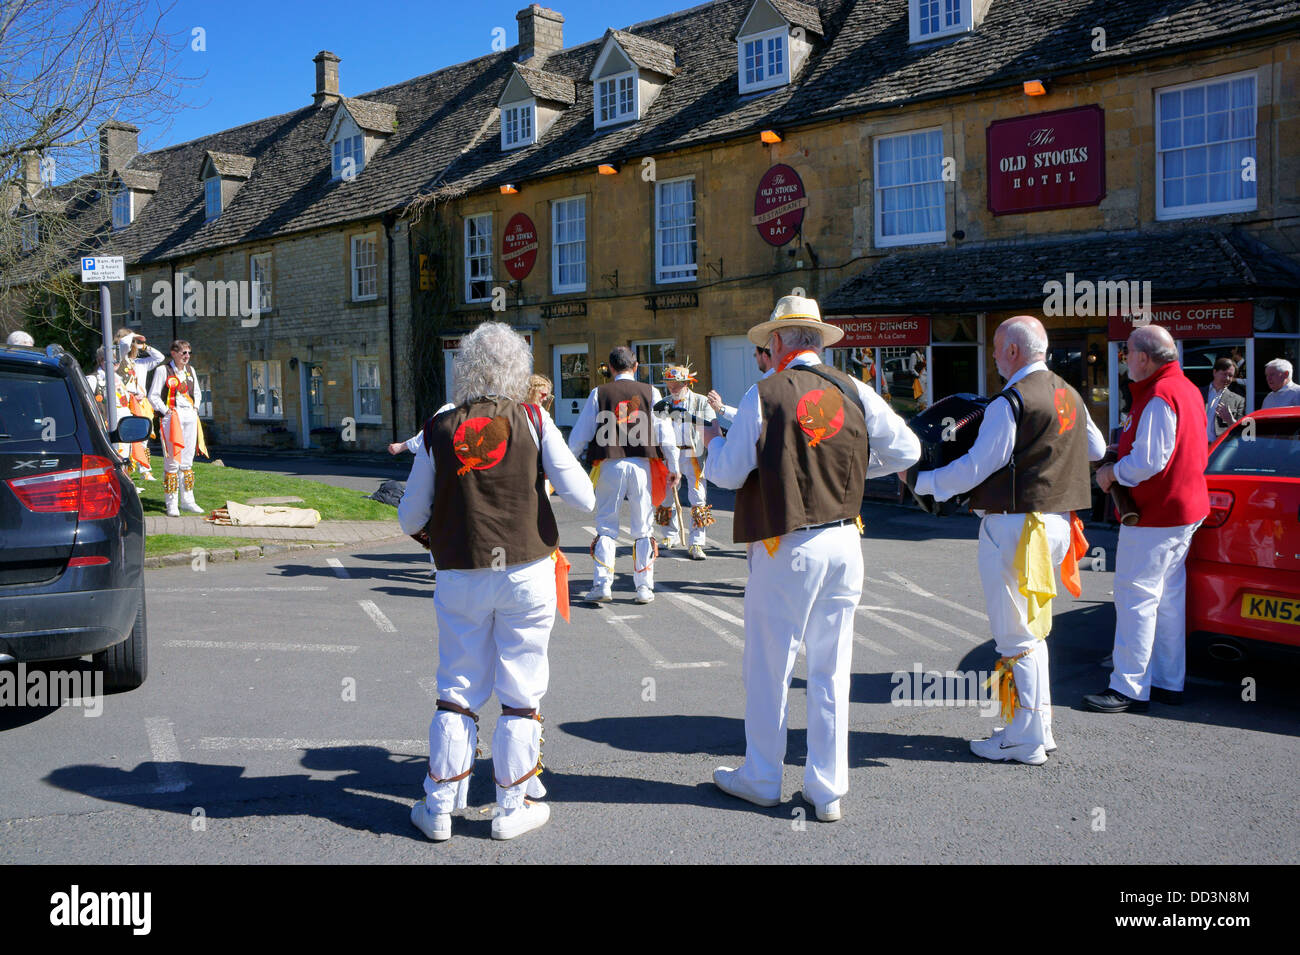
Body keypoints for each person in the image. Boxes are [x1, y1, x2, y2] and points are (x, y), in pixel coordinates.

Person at [702, 295, 920, 821]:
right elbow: (908, 450)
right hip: (846, 537)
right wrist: (855, 467)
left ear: (778, 343)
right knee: (830, 667)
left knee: (770, 664)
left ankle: (761, 775)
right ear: (818, 342)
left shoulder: (766, 391)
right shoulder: (855, 389)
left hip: (787, 541)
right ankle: (826, 790)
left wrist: (712, 442)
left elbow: (728, 474)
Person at [398, 322, 595, 842]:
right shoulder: (532, 417)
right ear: (517, 369)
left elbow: (408, 515)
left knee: (457, 686)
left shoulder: (441, 422)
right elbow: (584, 496)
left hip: (461, 570)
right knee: (521, 688)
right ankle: (512, 804)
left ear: (465, 367)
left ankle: (441, 802)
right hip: (527, 569)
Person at [909, 316, 1105, 765]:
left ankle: (1025, 737)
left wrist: (924, 481)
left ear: (1014, 351)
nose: (995, 356)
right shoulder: (1068, 393)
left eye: (997, 348)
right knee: (1032, 631)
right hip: (1055, 525)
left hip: (1017, 526)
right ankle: (1037, 727)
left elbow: (978, 466)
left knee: (1015, 636)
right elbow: (1095, 448)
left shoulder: (1010, 400)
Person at [1090, 325, 1210, 713]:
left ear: (1144, 357)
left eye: (1127, 353)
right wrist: (1121, 450)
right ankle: (1167, 680)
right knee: (1168, 600)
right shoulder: (1186, 388)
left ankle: (1127, 686)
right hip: (1183, 511)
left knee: (1136, 597)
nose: (1125, 360)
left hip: (1156, 514)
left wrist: (1111, 473)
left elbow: (1149, 462)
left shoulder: (1159, 394)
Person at [568, 347, 680, 605]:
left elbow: (580, 434)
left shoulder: (599, 393)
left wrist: (568, 464)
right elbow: (665, 432)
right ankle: (643, 587)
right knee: (643, 527)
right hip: (641, 465)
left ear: (610, 367)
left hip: (610, 463)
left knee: (606, 525)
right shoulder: (651, 392)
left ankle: (602, 583)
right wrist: (674, 467)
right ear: (636, 365)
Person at [655, 362, 715, 560]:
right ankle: (668, 536)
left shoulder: (700, 401)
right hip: (670, 454)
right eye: (670, 384)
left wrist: (688, 417)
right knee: (666, 496)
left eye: (677, 384)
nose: (672, 388)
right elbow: (654, 427)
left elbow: (711, 423)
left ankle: (697, 543)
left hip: (693, 455)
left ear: (687, 383)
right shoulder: (663, 402)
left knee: (698, 497)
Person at [149, 340, 205, 517]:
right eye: (183, 353)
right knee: (173, 460)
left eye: (189, 353)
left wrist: (195, 408)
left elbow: (197, 392)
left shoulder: (190, 371)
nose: (187, 356)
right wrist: (167, 412)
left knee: (187, 460)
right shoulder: (162, 370)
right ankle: (171, 503)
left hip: (189, 416)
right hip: (172, 418)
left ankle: (188, 500)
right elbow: (153, 396)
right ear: (173, 353)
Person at [117, 330, 165, 480]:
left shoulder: (141, 363)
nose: (134, 346)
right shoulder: (120, 360)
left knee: (143, 437)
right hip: (127, 401)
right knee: (127, 437)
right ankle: (127, 469)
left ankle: (145, 470)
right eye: (133, 343)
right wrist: (132, 337)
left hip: (142, 402)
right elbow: (123, 345)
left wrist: (144, 347)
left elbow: (160, 357)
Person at [706, 342, 773, 429]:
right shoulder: (791, 381)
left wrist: (721, 408)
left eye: (755, 355)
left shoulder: (760, 389)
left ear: (764, 356)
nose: (756, 359)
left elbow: (746, 419)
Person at [1205, 357, 1244, 443]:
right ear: (1214, 372)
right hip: (1197, 445)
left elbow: (1241, 432)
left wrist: (1230, 421)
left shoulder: (1238, 400)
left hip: (1220, 448)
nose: (1227, 378)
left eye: (1230, 376)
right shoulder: (1198, 393)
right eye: (1224, 374)